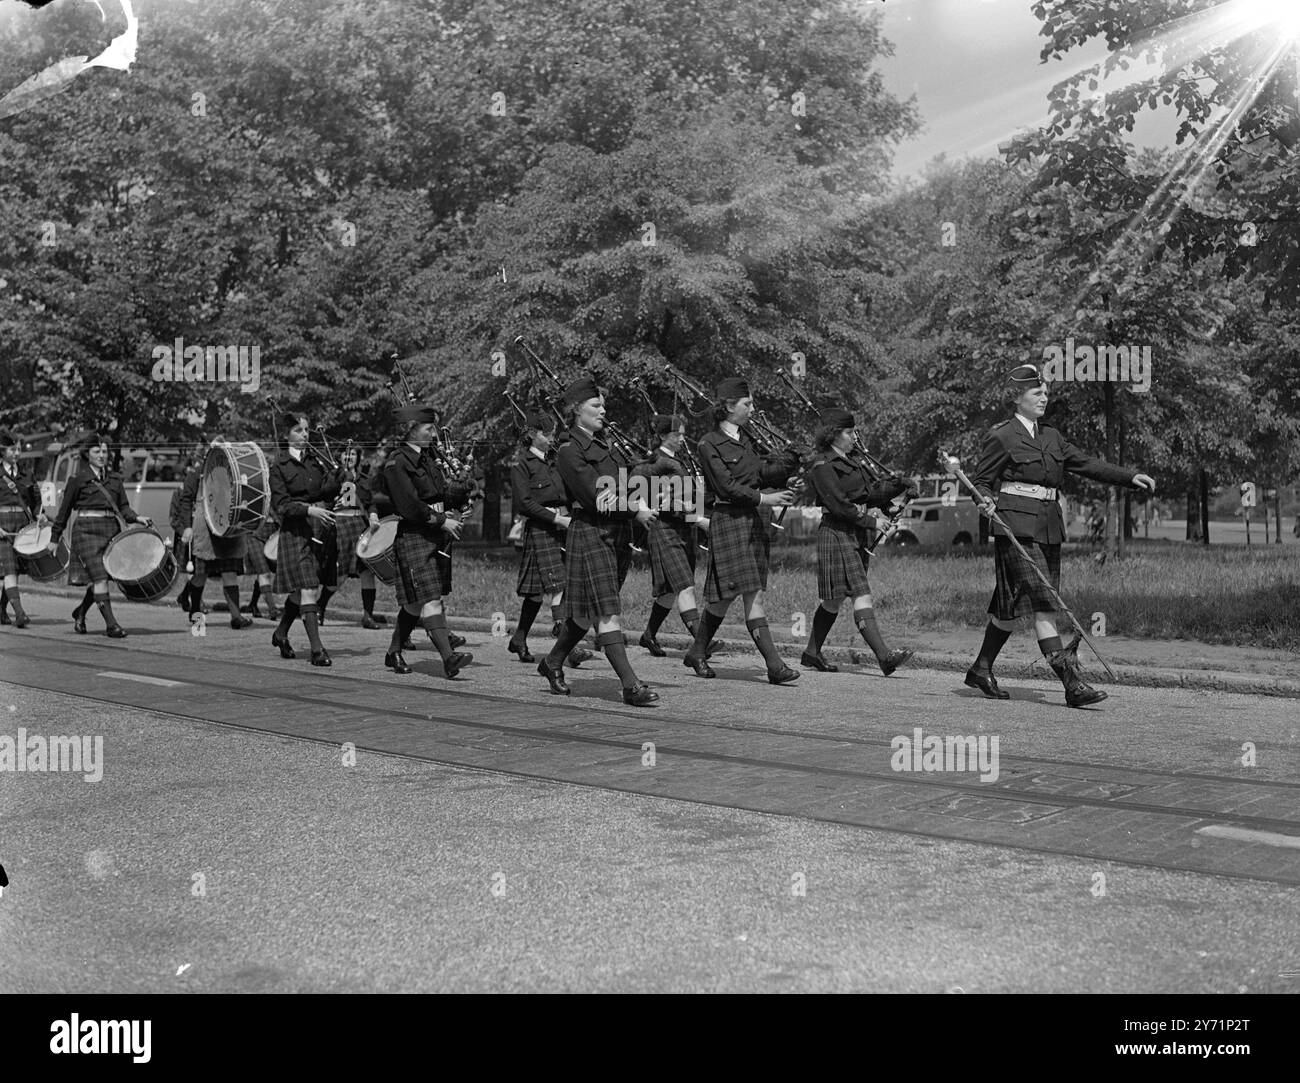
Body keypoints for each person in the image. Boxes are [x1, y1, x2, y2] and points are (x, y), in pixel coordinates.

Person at [964, 364, 1156, 707]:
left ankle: (980, 668)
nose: (1043, 398)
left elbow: (1086, 463)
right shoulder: (1002, 436)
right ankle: (1072, 685)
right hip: (1016, 530)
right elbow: (980, 482)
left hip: (1049, 528)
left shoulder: (1051, 436)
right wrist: (986, 499)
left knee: (1009, 610)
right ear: (1017, 397)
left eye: (1046, 393)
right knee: (1045, 606)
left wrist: (1129, 477)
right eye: (1037, 393)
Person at [537, 377, 658, 707]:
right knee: (606, 612)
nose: (603, 410)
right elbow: (596, 496)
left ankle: (551, 662)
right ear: (577, 411)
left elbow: (628, 481)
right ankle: (631, 686)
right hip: (591, 531)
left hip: (617, 534)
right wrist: (636, 509)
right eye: (596, 405)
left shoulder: (607, 446)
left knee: (585, 615)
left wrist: (656, 492)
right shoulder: (568, 451)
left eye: (603, 405)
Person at [682, 377, 803, 683]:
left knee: (746, 594)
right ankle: (774, 667)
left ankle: (700, 653)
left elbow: (761, 474)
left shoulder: (746, 439)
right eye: (747, 403)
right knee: (733, 596)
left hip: (754, 522)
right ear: (728, 406)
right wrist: (767, 498)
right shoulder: (708, 444)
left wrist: (788, 473)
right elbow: (727, 486)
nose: (752, 408)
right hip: (731, 521)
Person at [801, 408, 914, 674]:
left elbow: (868, 493)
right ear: (833, 434)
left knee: (834, 600)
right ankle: (884, 657)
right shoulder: (822, 465)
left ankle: (811, 653)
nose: (854, 437)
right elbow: (840, 506)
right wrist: (873, 522)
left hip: (855, 532)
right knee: (861, 593)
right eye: (849, 432)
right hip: (837, 531)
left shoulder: (853, 460)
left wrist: (892, 499)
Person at [381, 404, 474, 678]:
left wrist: (460, 491)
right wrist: (443, 520)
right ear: (410, 430)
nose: (433, 433)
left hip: (435, 534)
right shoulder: (396, 463)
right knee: (430, 598)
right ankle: (449, 658)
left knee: (414, 603)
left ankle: (393, 651)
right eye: (428, 428)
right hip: (414, 535)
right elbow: (409, 505)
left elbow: (442, 493)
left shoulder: (428, 459)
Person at [506, 411, 593, 667]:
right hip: (541, 529)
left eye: (552, 433)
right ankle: (567, 647)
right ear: (532, 434)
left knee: (535, 593)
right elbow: (524, 503)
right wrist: (556, 519)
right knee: (559, 584)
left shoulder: (554, 460)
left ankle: (519, 638)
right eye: (547, 433)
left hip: (564, 527)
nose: (551, 437)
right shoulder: (521, 464)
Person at [47, 433, 153, 638]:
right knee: (100, 577)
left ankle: (81, 612)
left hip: (110, 530)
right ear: (87, 454)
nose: (102, 455)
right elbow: (64, 512)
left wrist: (138, 518)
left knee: (100, 578)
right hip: (85, 531)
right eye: (97, 451)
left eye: (104, 451)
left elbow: (123, 508)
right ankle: (111, 625)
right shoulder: (78, 480)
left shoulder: (115, 479)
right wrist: (54, 539)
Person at [268, 412, 345, 666]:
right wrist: (309, 509)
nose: (305, 435)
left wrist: (338, 479)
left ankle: (280, 633)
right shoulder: (278, 467)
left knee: (302, 591)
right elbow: (281, 505)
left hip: (318, 529)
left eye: (306, 430)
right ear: (286, 434)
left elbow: (324, 491)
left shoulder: (315, 462)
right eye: (299, 431)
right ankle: (317, 651)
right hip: (295, 531)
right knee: (309, 588)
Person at [631, 413, 710, 655]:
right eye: (677, 434)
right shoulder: (654, 461)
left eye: (683, 434)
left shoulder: (682, 460)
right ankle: (701, 643)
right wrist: (651, 505)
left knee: (668, 591)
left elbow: (689, 497)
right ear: (663, 435)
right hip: (664, 529)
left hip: (685, 529)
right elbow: (634, 486)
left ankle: (648, 636)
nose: (681, 438)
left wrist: (697, 516)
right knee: (685, 586)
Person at [177, 439, 253, 630]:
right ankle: (196, 617)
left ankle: (236, 617)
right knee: (200, 575)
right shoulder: (197, 472)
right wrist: (187, 527)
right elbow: (186, 500)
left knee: (230, 574)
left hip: (228, 529)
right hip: (206, 528)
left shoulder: (233, 471)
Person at [0, 431, 43, 628]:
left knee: (15, 570)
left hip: (23, 526)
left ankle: (1, 611)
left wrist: (39, 514)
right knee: (9, 569)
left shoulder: (27, 474)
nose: (16, 453)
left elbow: (36, 501)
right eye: (12, 449)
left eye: (18, 449)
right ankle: (20, 614)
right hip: (3, 525)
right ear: (2, 451)